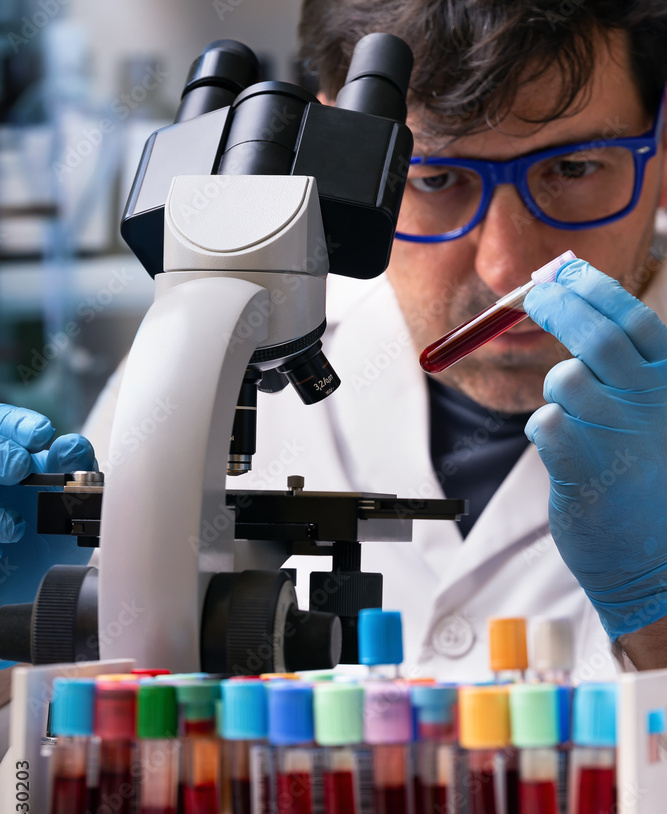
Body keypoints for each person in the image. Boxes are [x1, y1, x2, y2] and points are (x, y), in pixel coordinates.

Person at [6, 0, 667, 681]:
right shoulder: (230, 343)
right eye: (432, 179)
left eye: (574, 169)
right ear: (342, 158)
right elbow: (67, 718)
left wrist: (656, 613)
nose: (502, 264)